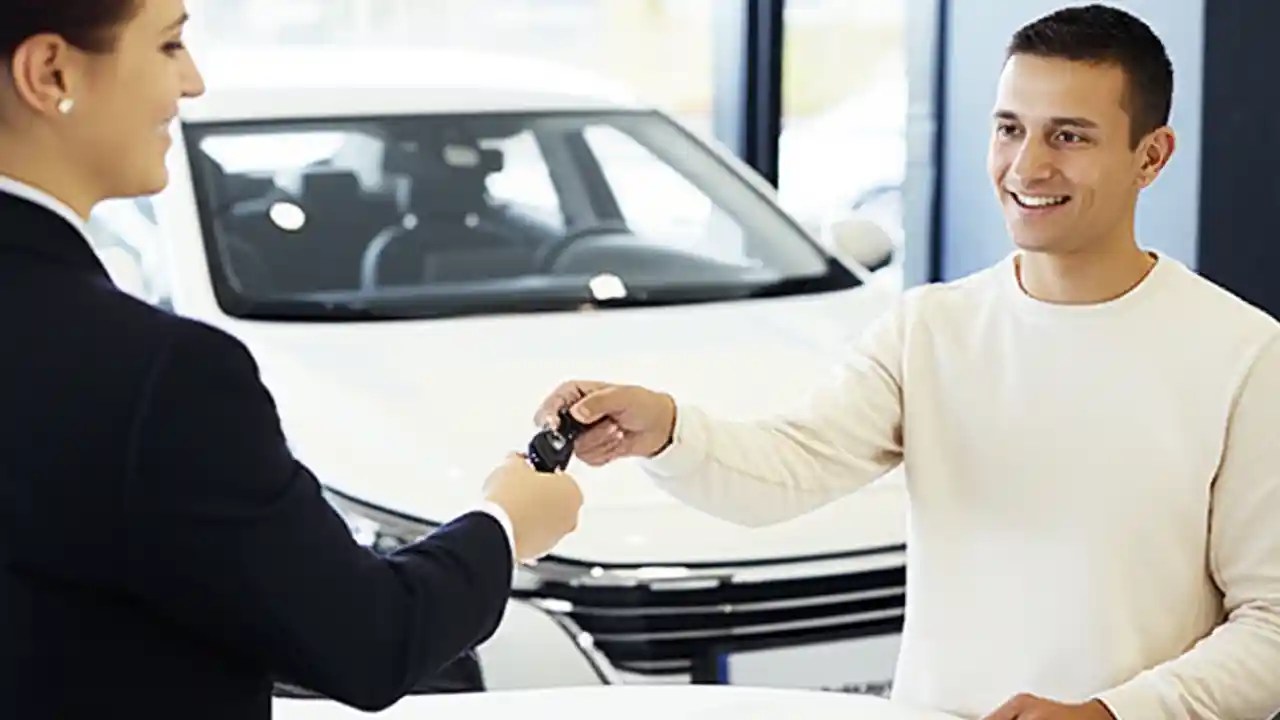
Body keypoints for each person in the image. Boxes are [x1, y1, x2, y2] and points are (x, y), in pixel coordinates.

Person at [536, 5, 1280, 720]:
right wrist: (663, 427)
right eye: (1009, 128)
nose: (1026, 165)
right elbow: (784, 469)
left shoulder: (1241, 353)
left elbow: (1272, 626)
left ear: (1151, 156)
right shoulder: (931, 329)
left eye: (1070, 137)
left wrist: (1113, 712)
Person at [0, 1, 584, 718]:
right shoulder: (162, 375)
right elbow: (370, 640)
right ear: (49, 69)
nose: (193, 82)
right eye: (170, 45)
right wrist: (508, 523)